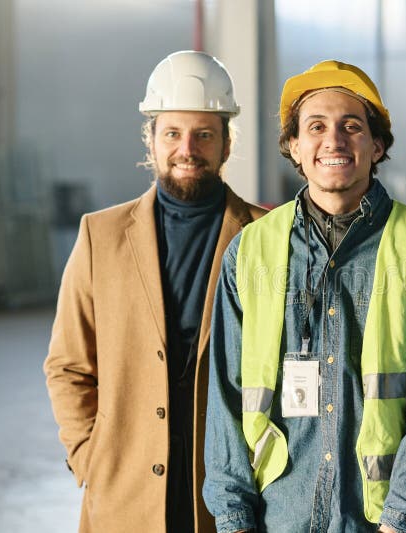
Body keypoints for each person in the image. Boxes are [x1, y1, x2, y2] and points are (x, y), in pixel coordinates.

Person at [203, 60, 406, 533]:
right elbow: (226, 396)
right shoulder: (250, 251)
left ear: (377, 145)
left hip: (386, 522)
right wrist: (234, 518)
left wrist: (401, 521)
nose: (334, 140)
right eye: (316, 126)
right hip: (279, 519)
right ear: (294, 146)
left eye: (352, 126)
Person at [43, 50, 266, 533]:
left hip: (231, 494)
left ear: (227, 142)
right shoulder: (99, 237)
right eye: (172, 133)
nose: (187, 147)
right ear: (152, 138)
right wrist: (89, 456)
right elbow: (67, 365)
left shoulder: (264, 236)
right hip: (124, 493)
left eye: (204, 134)